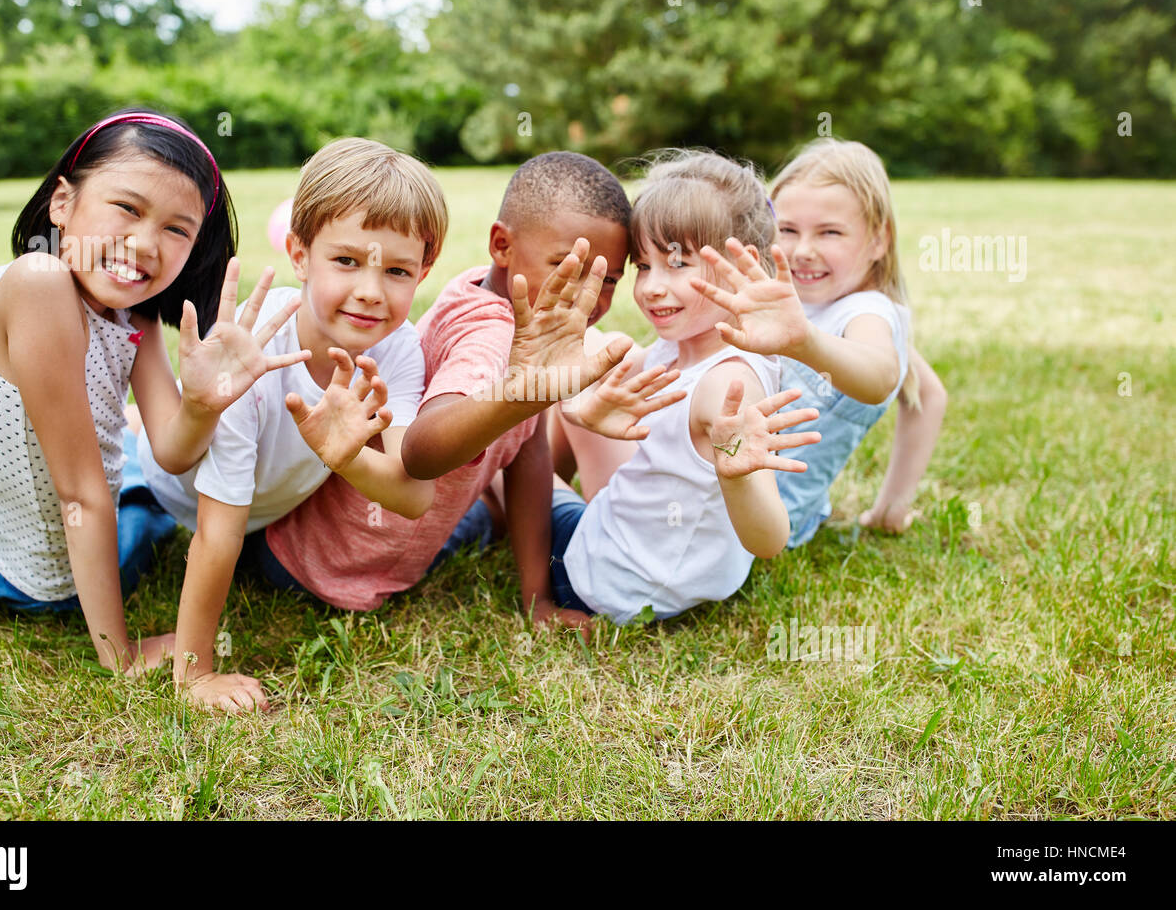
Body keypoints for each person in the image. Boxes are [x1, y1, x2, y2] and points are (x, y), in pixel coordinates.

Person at [0, 109, 308, 674]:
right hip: (14, 561)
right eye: (127, 208)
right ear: (62, 204)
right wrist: (120, 655)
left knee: (143, 488)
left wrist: (201, 404)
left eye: (177, 229)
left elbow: (174, 451)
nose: (146, 242)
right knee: (137, 503)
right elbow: (79, 495)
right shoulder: (39, 282)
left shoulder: (135, 316)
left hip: (86, 522)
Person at [260, 152, 631, 639]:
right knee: (505, 519)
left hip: (349, 547)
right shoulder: (492, 340)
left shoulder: (483, 288)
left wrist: (536, 597)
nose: (588, 296)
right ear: (502, 244)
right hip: (323, 571)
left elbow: (529, 449)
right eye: (566, 267)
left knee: (498, 503)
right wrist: (524, 396)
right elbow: (421, 451)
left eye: (607, 281)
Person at [139, 137, 447, 713]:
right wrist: (195, 674)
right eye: (346, 261)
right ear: (300, 254)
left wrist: (348, 455)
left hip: (267, 511)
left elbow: (412, 496)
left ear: (424, 271)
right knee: (135, 546)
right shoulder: (255, 354)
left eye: (398, 270)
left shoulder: (400, 349)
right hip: (166, 490)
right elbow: (215, 530)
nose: (370, 292)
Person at [548, 149, 821, 625]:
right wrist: (585, 413)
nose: (652, 286)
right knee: (599, 353)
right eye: (643, 265)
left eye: (677, 264)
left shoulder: (727, 385)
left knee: (499, 465)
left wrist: (736, 477)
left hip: (603, 581)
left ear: (741, 265)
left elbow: (770, 539)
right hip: (661, 570)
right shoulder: (690, 348)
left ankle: (493, 509)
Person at [690, 138, 946, 546]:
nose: (803, 250)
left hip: (761, 520)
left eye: (830, 232)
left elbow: (881, 374)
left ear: (879, 240)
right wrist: (891, 512)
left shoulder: (867, 313)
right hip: (717, 481)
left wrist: (805, 342)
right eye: (788, 230)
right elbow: (928, 396)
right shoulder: (791, 298)